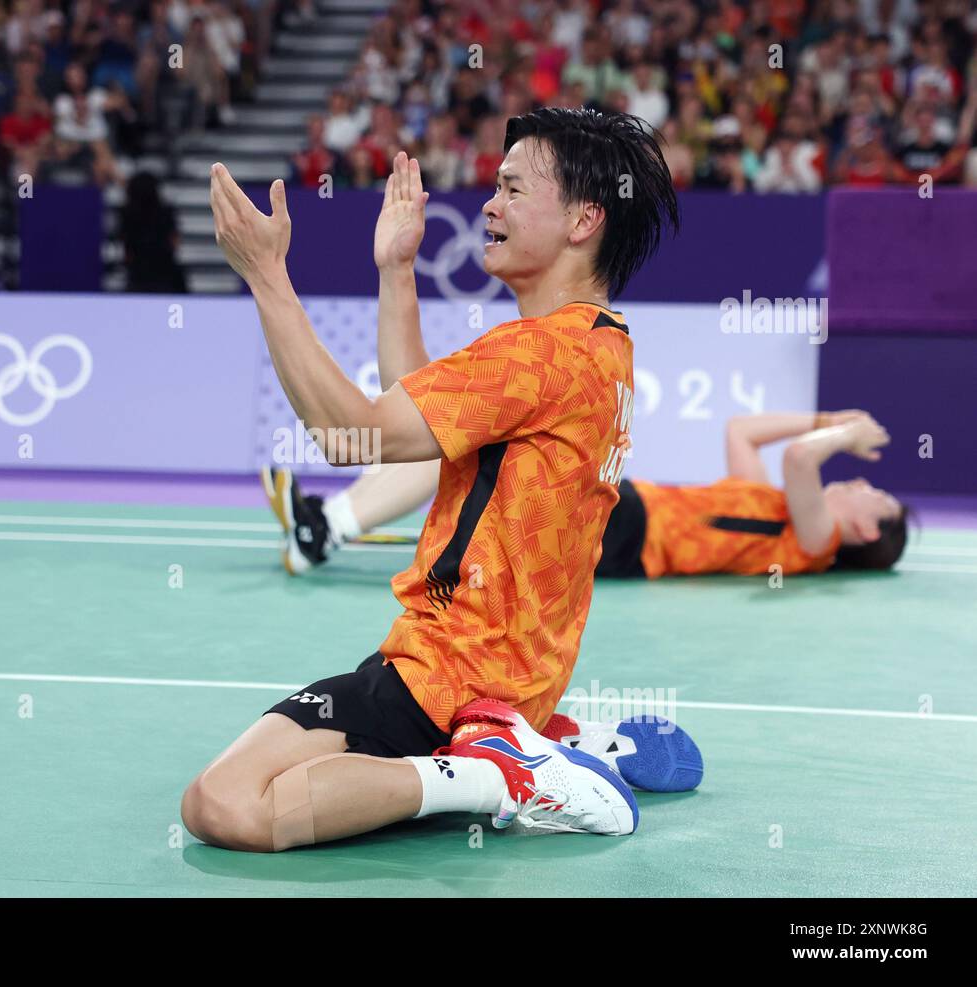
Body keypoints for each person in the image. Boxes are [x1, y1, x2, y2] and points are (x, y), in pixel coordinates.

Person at [182, 108, 685, 853]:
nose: (490, 204)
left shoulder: (539, 355)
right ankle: (544, 739)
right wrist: (396, 271)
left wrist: (265, 276)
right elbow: (415, 428)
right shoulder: (600, 347)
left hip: (447, 673)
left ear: (585, 219)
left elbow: (350, 433)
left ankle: (501, 775)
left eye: (514, 188)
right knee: (278, 787)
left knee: (222, 805)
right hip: (512, 673)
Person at [264, 411, 907, 580]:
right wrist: (829, 418)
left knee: (481, 444)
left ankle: (329, 526)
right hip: (621, 506)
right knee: (471, 449)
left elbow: (800, 458)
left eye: (874, 497)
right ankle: (326, 521)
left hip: (627, 535)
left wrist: (843, 434)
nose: (862, 482)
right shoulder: (766, 504)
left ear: (866, 533)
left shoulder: (814, 543)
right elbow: (743, 430)